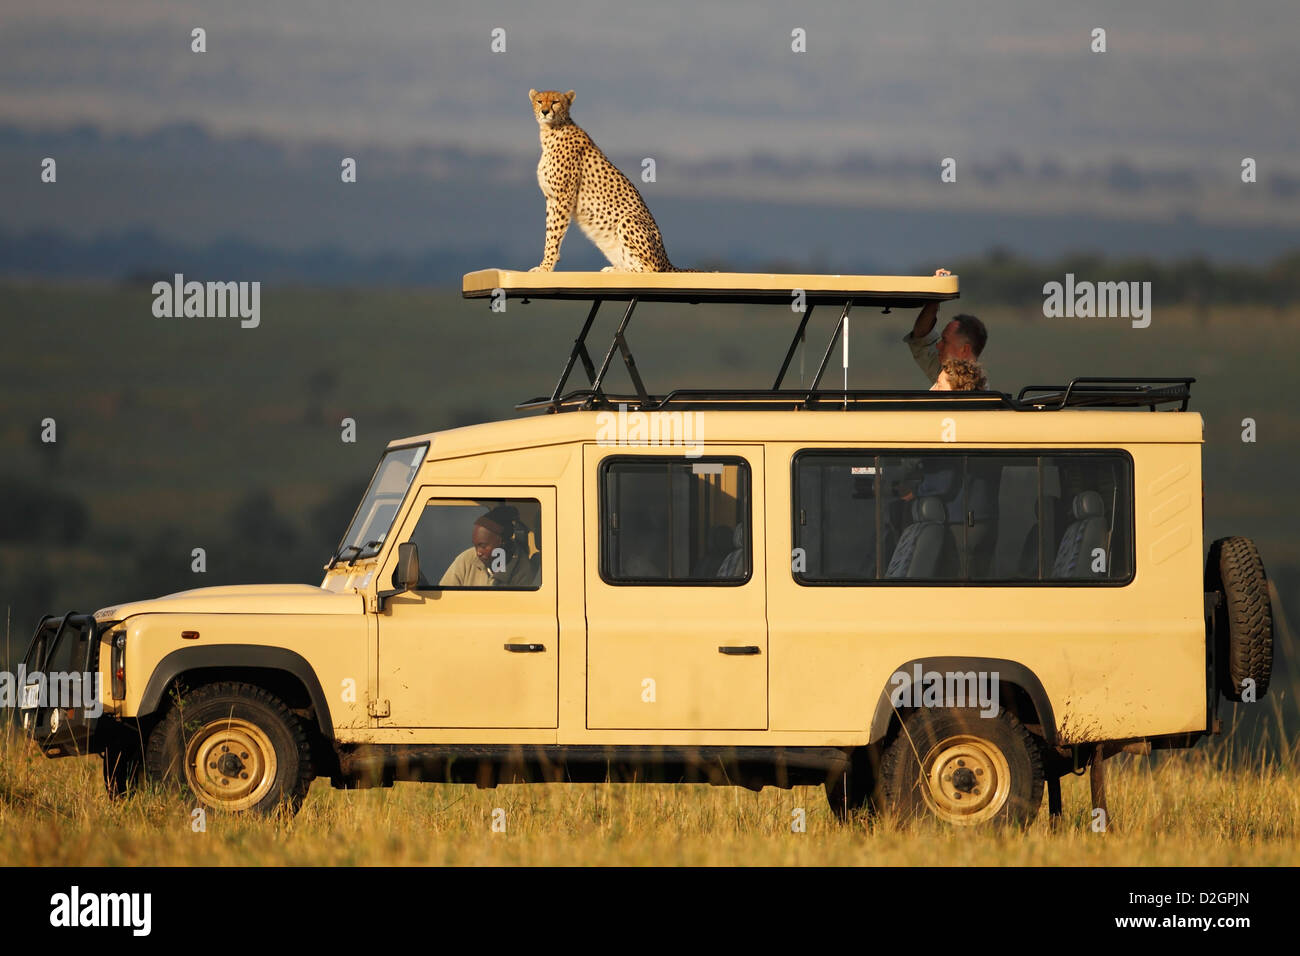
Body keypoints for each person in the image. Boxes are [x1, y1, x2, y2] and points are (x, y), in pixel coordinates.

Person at [904, 268, 989, 387]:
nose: (938, 346)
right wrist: (936, 295)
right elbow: (921, 339)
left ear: (964, 350)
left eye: (945, 341)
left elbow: (921, 340)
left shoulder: (963, 387)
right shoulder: (950, 374)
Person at [439, 505, 536, 587]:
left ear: (502, 543)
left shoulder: (522, 571)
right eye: (476, 546)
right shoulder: (466, 560)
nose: (478, 552)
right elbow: (442, 601)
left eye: (483, 546)